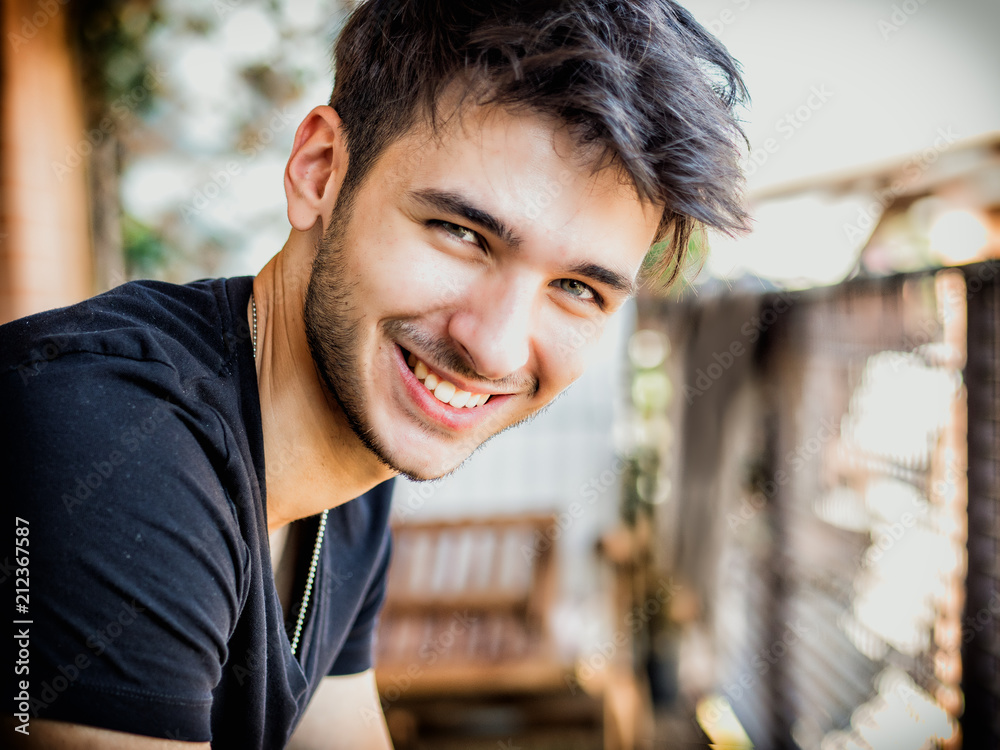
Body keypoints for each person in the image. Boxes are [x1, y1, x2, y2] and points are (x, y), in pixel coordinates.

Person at [1, 0, 748, 747]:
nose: (495, 350)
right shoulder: (115, 440)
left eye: (578, 289)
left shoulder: (347, 479)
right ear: (320, 172)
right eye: (462, 233)